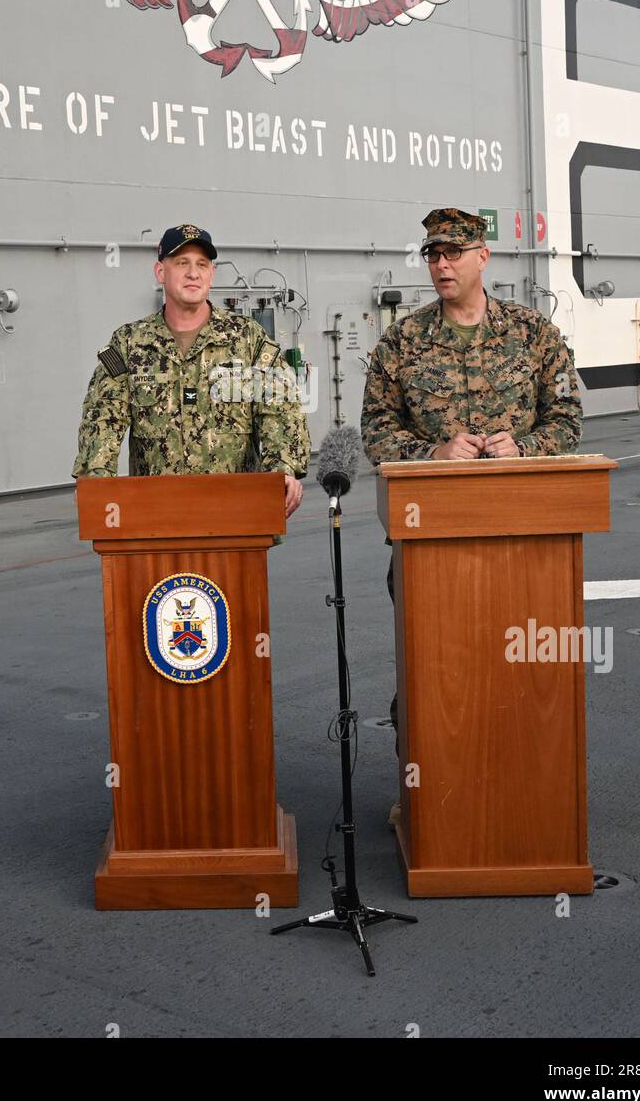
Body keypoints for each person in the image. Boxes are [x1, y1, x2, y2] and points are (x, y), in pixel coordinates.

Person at [360, 207, 584, 824]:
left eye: (453, 253)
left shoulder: (534, 335)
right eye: (432, 254)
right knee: (432, 673)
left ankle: (524, 799)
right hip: (427, 543)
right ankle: (430, 803)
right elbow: (376, 431)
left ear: (483, 256)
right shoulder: (400, 344)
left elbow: (566, 418)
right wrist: (431, 451)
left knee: (521, 674)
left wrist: (527, 446)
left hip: (524, 542)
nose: (441, 264)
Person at [72, 223, 310, 515]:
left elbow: (280, 408)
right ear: (161, 272)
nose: (193, 273)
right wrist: (96, 480)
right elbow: (103, 419)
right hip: (155, 513)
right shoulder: (130, 343)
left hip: (237, 511)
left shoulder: (248, 339)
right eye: (181, 262)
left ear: (211, 273)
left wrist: (283, 469)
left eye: (202, 264)